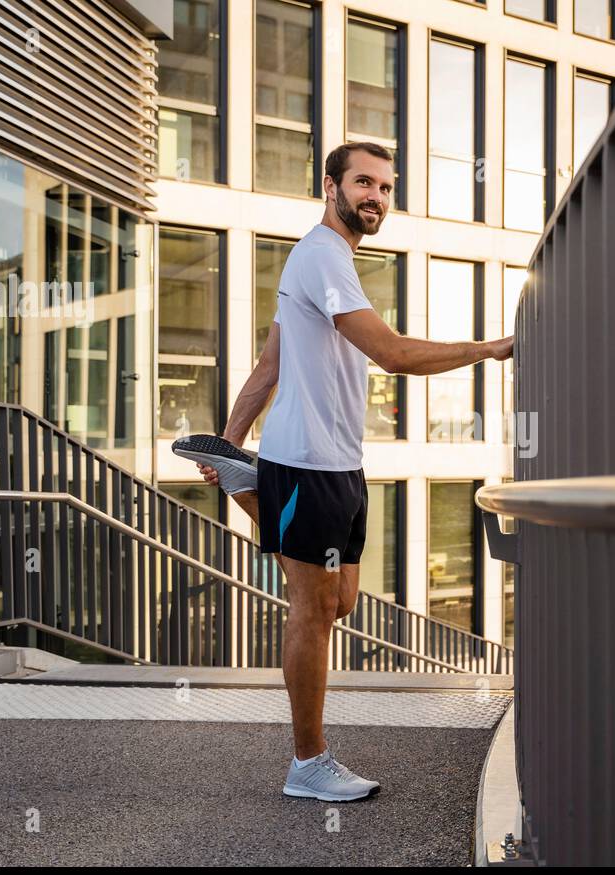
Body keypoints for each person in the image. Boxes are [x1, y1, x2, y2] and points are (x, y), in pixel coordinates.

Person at [173, 141, 514, 802]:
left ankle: (247, 479)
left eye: (385, 188)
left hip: (340, 464)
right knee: (312, 608)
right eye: (364, 183)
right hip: (304, 463)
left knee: (342, 601)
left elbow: (272, 363)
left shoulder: (329, 263)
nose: (375, 197)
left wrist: (229, 439)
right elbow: (390, 354)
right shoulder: (322, 255)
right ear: (330, 186)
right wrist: (489, 348)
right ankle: (308, 762)